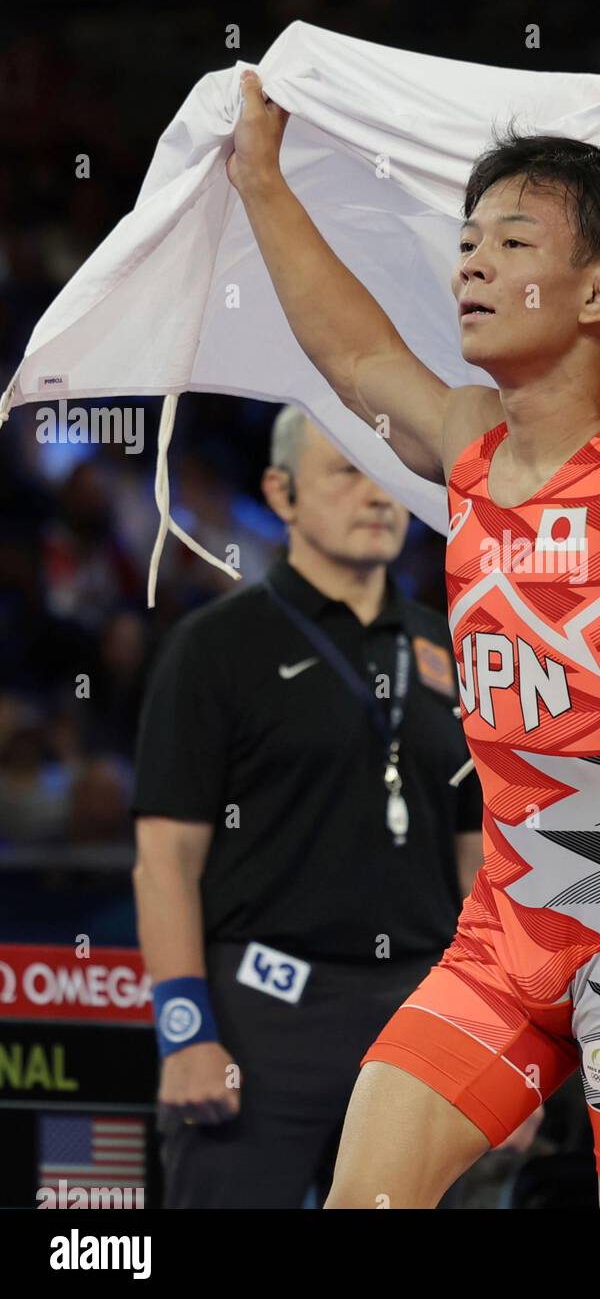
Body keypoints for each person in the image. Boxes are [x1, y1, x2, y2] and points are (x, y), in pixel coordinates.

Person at [227, 70, 600, 1209]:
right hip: (503, 929)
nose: (469, 263)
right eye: (466, 242)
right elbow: (355, 359)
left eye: (510, 241)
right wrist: (259, 178)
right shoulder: (466, 443)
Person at [131, 407, 484, 1208]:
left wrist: (500, 1045)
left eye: (391, 474)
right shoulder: (216, 648)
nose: (377, 496)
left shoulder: (453, 647)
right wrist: (185, 1032)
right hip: (263, 1014)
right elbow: (165, 862)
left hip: (424, 1015)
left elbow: (481, 863)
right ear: (279, 494)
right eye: (348, 471)